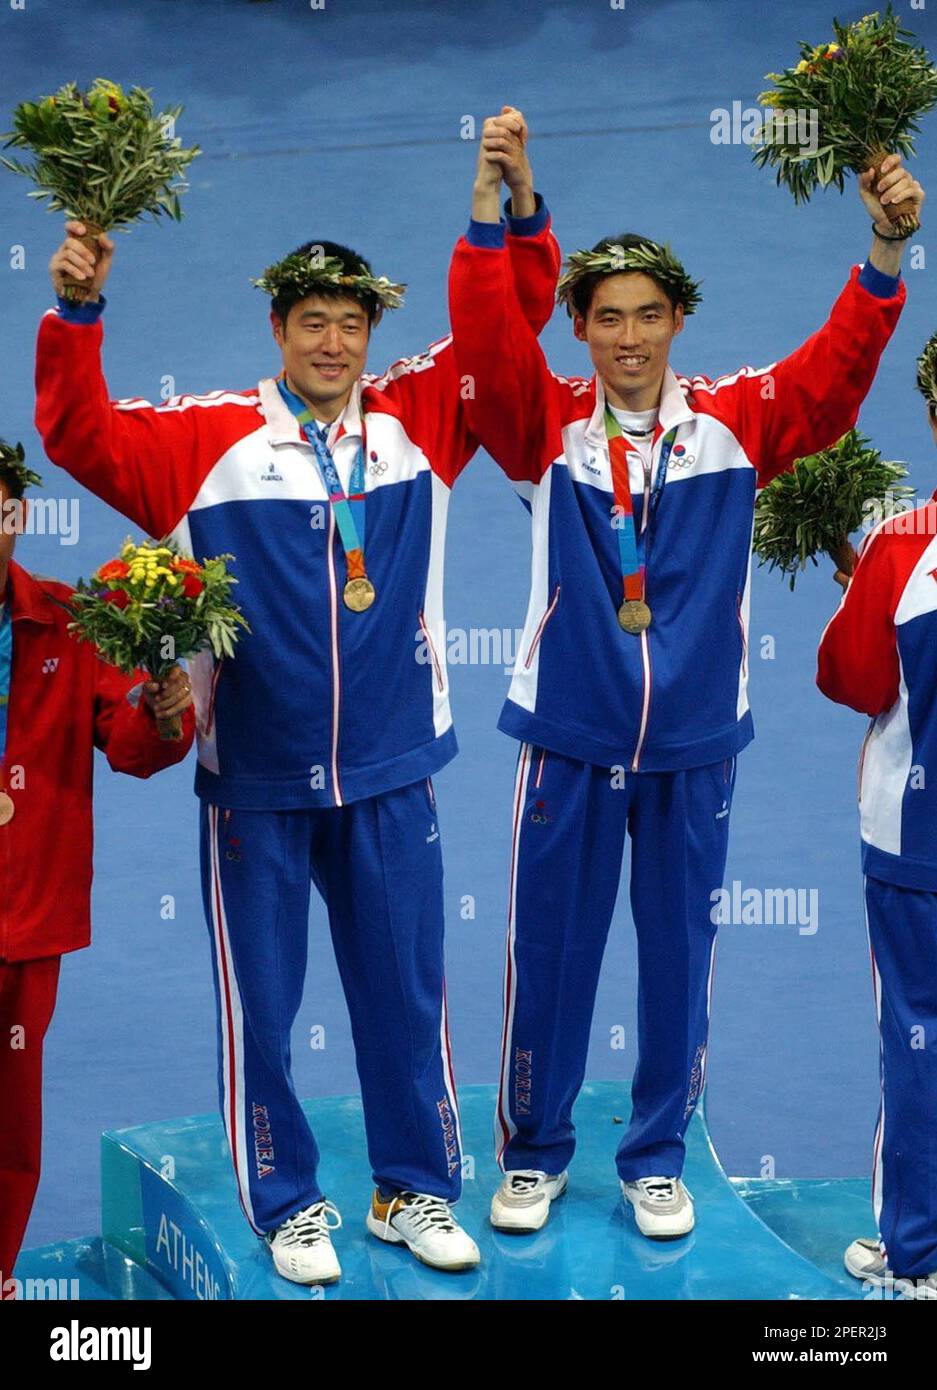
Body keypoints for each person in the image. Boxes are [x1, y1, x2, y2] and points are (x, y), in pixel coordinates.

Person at [34, 129, 559, 1282]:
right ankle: (287, 1203)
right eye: (311, 322)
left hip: (390, 768)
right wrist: (77, 314)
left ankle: (414, 1190)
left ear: (370, 335)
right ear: (277, 330)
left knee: (405, 995)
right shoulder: (207, 439)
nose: (333, 342)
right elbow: (78, 435)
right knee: (263, 1010)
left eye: (351, 323)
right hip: (257, 780)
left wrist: (508, 211)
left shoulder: (417, 419)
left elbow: (503, 340)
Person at [449, 108, 922, 1238]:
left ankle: (655, 1151)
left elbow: (835, 375)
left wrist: (886, 255)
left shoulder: (737, 423)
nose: (627, 339)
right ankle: (533, 1150)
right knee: (550, 952)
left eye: (648, 317)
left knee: (678, 957)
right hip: (566, 735)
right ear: (577, 324)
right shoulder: (546, 430)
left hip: (696, 745)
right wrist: (490, 209)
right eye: (606, 318)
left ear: (677, 323)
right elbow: (482, 350)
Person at [0, 445, 194, 1294]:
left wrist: (164, 713)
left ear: (18, 518)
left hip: (23, 912)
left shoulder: (67, 623)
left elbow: (131, 743)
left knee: (9, 1112)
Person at [817, 332, 937, 1300]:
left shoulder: (903, 544)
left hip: (917, 850)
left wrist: (864, 592)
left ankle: (919, 1258)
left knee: (920, 1041)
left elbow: (853, 678)